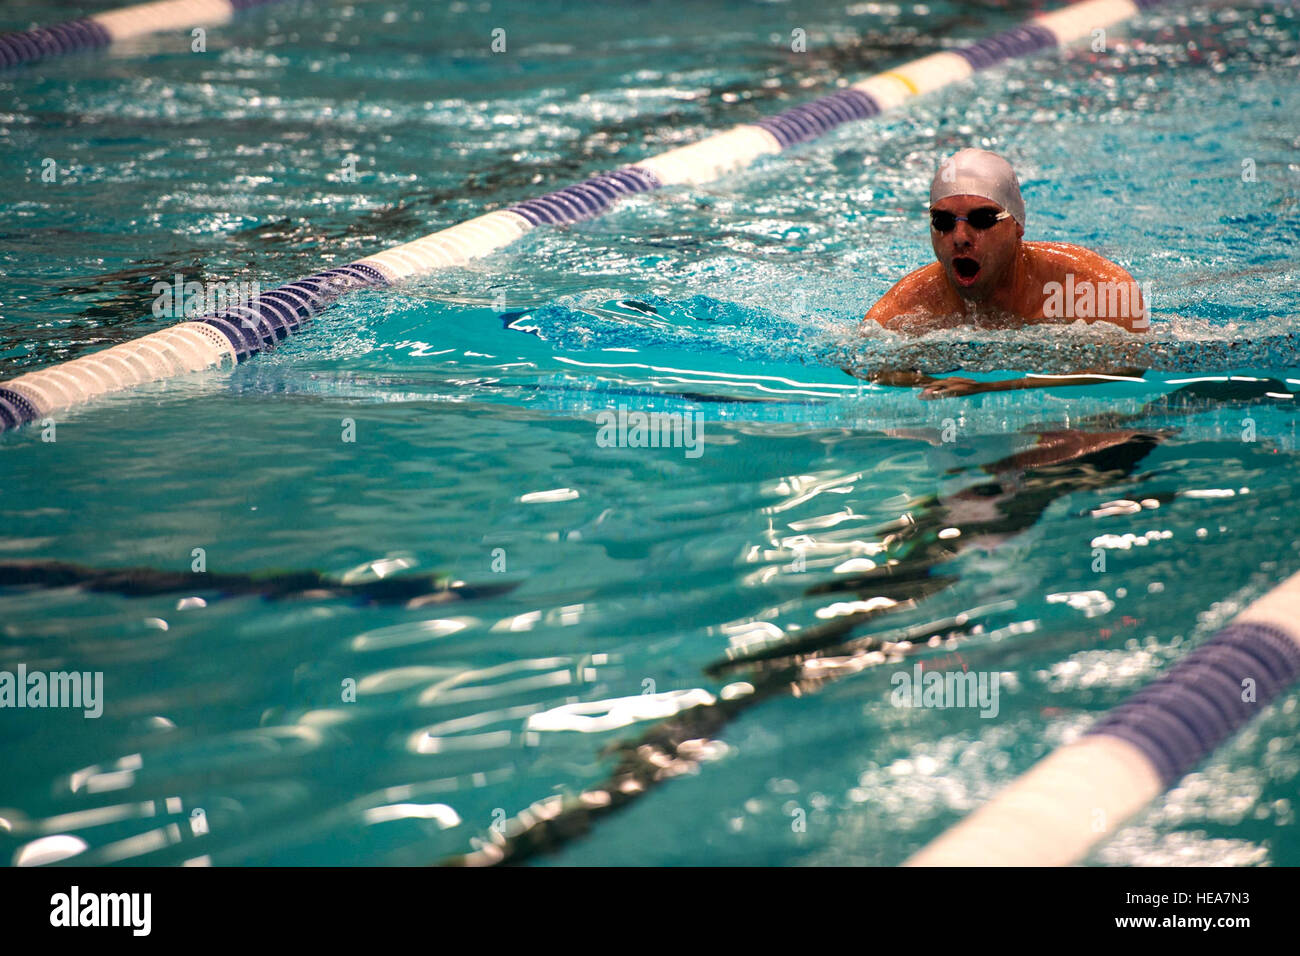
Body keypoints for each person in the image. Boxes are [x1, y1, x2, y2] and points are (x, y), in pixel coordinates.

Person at [862, 148, 1148, 398]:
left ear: (1018, 225)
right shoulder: (905, 309)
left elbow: (1132, 363)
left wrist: (997, 387)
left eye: (983, 219)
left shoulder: (1094, 288)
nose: (960, 236)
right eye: (943, 221)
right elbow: (862, 364)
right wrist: (928, 383)